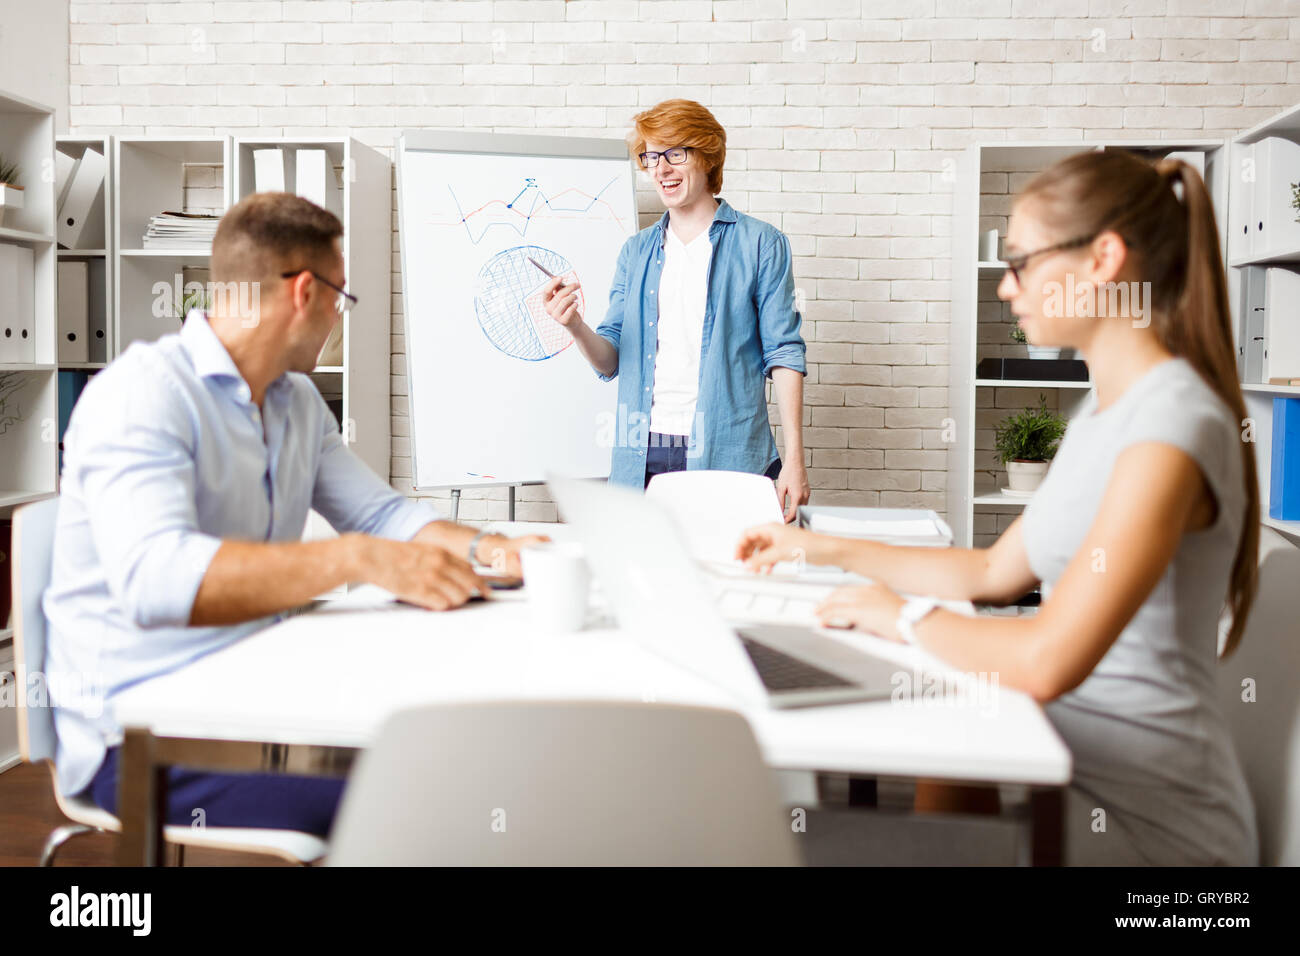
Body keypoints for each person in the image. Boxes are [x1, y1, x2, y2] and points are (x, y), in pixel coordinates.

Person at [737, 150, 1259, 865]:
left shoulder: (1174, 423)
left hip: (1159, 851)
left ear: (1103, 259)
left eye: (1022, 262)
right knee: (946, 736)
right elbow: (993, 571)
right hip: (1068, 782)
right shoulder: (1105, 416)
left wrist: (902, 617)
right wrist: (822, 551)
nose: (1008, 287)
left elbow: (1045, 662)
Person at [43, 192, 545, 837]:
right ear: (306, 292)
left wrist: (497, 551)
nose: (340, 315)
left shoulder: (297, 401)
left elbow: (383, 516)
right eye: (342, 298)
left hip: (260, 689)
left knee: (466, 753)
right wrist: (353, 559)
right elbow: (156, 580)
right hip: (140, 739)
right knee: (429, 802)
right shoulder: (142, 394)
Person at [543, 98, 810, 520]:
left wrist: (794, 459)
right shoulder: (636, 252)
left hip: (730, 449)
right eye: (650, 156)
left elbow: (784, 353)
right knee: (646, 576)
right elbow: (611, 360)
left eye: (675, 153)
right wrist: (575, 325)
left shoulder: (761, 244)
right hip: (643, 453)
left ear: (707, 155)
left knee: (728, 573)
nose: (661, 168)